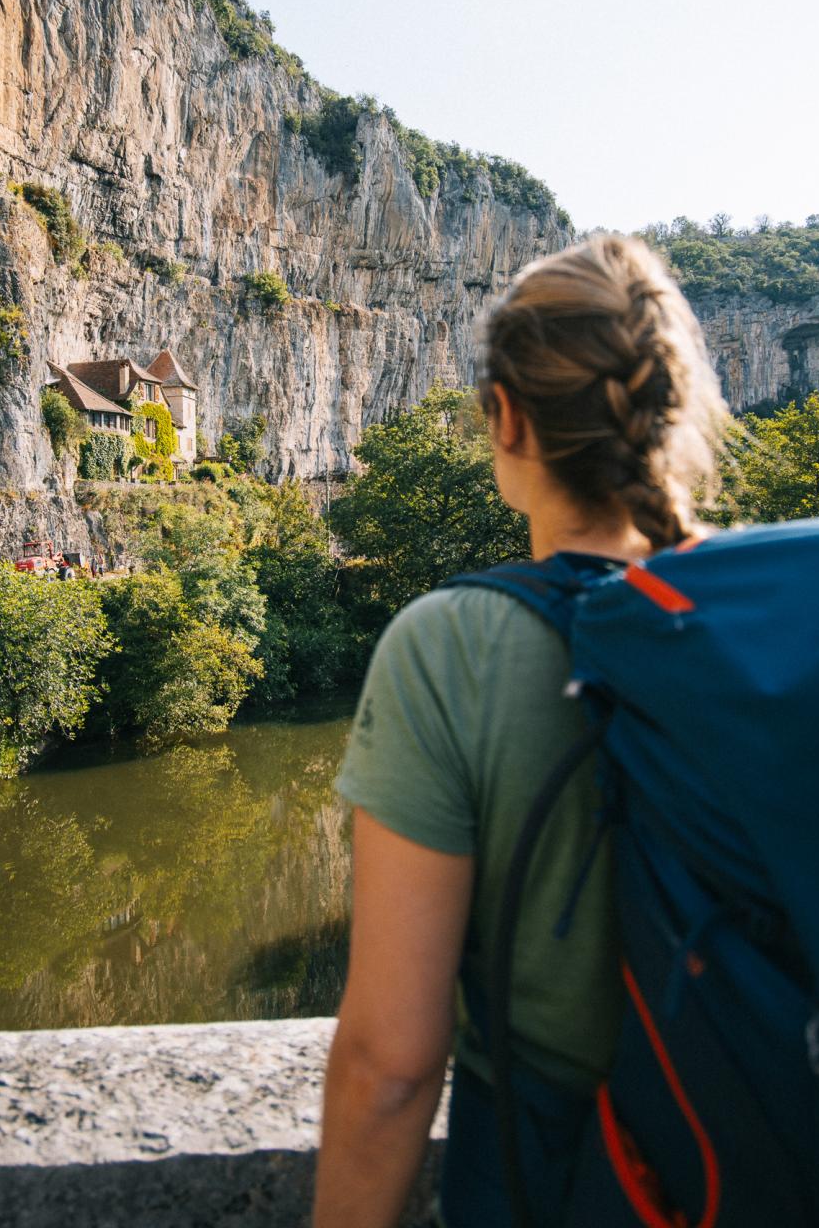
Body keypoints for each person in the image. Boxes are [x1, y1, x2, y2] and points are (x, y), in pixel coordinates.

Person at [314, 234, 728, 1228]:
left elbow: (391, 1069)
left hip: (555, 1175)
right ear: (669, 415)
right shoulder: (784, 622)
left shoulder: (448, 647)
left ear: (505, 417)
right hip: (772, 1151)